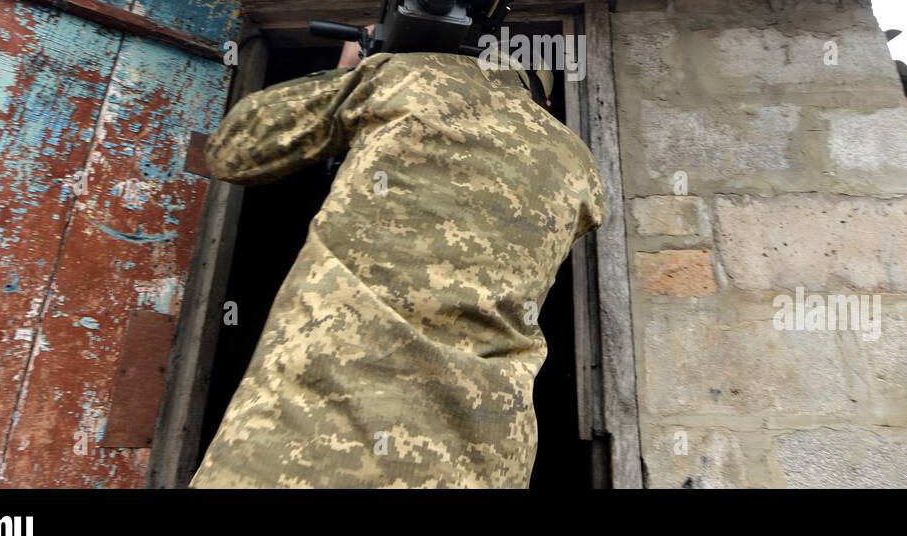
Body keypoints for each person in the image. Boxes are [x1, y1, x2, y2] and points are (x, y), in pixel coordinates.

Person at [189, 38, 605, 489]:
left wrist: (349, 75)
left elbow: (232, 148)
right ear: (540, 96)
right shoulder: (579, 165)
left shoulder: (400, 77)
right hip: (480, 463)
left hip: (301, 450)